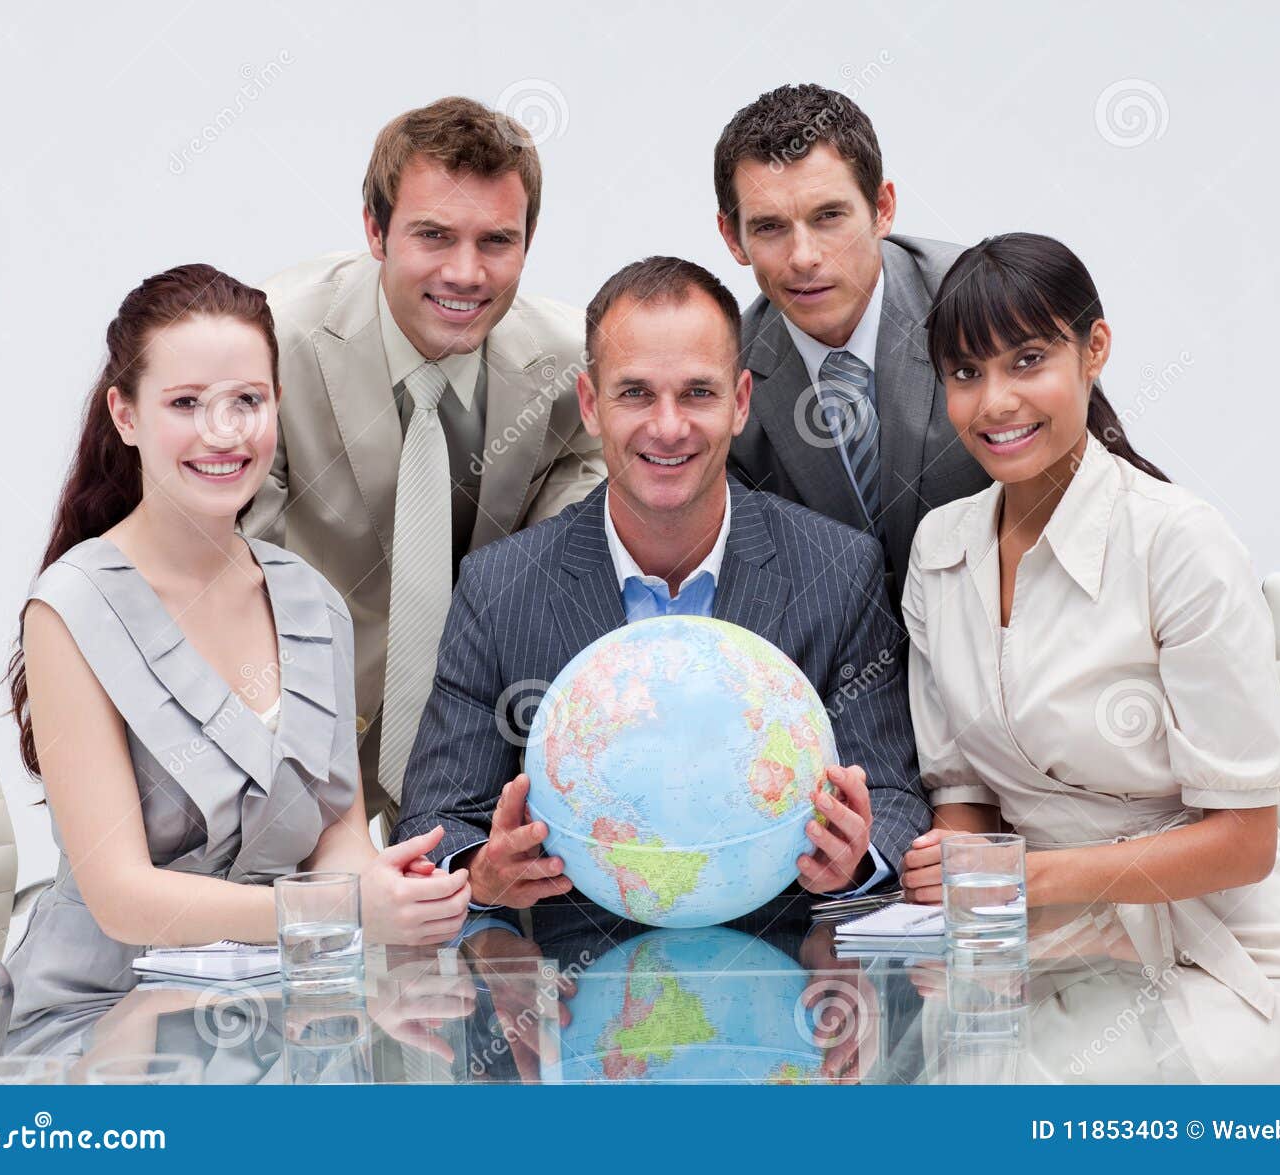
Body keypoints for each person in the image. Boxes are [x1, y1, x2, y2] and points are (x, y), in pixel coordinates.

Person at [898, 233, 1280, 1082]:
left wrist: (1024, 879)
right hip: (1048, 947)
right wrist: (955, 878)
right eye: (965, 372)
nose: (995, 401)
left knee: (1038, 1105)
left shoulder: (1179, 544)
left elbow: (1244, 843)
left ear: (1094, 349)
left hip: (1232, 967)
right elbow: (964, 799)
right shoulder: (939, 550)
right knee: (908, 1075)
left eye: (1027, 360)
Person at [2, 265, 471, 1057]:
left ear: (276, 408)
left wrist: (383, 887)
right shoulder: (72, 608)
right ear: (125, 415)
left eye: (247, 401)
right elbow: (122, 898)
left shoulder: (312, 601)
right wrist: (341, 910)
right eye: (186, 403)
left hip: (277, 1005)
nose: (223, 433)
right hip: (103, 1022)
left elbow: (338, 833)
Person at [393, 256, 931, 944]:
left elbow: (893, 796)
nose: (668, 426)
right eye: (636, 394)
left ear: (741, 401)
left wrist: (858, 859)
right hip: (575, 977)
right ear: (591, 405)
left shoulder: (838, 569)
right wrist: (482, 872)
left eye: (698, 392)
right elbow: (434, 822)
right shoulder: (500, 587)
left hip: (789, 968)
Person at [244, 97, 604, 831]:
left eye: (496, 240)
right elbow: (229, 576)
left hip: (483, 754)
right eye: (433, 235)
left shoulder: (578, 370)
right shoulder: (273, 343)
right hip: (289, 722)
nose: (465, 273)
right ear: (375, 231)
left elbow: (561, 586)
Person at [715, 84, 990, 601]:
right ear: (734, 238)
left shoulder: (983, 303)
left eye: (828, 217)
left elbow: (1086, 498)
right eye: (770, 227)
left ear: (882, 208)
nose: (804, 257)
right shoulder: (723, 380)